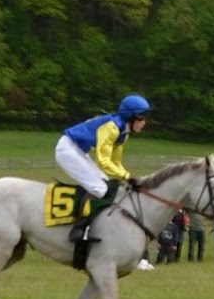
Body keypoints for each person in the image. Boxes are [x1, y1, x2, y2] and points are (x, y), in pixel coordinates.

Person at [55, 94, 152, 242]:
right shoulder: (112, 127)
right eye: (141, 118)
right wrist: (126, 177)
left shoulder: (123, 133)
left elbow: (116, 161)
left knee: (106, 183)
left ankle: (91, 224)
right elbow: (103, 161)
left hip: (79, 150)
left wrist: (127, 176)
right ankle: (79, 230)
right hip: (67, 149)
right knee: (99, 188)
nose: (144, 122)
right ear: (130, 117)